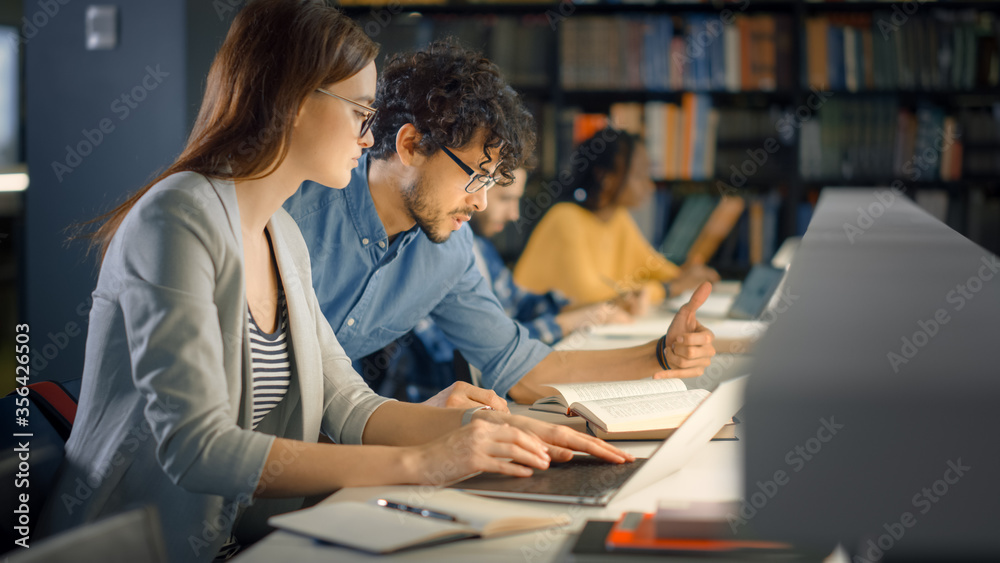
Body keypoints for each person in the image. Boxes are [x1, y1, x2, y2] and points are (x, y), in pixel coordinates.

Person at [37, 3, 631, 561]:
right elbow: (197, 448)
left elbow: (351, 405)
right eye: (361, 114)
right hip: (140, 547)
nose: (371, 137)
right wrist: (424, 462)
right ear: (294, 100)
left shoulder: (281, 238)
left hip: (242, 542)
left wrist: (501, 429)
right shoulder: (179, 217)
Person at [284, 40, 718, 407]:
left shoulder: (450, 250)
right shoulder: (294, 209)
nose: (481, 202)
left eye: (491, 182)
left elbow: (522, 369)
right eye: (474, 175)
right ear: (411, 144)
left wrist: (662, 354)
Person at [399, 167, 637, 401]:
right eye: (505, 198)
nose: (515, 214)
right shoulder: (431, 251)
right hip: (433, 409)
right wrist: (564, 324)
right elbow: (463, 350)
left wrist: (590, 310)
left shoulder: (481, 249)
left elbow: (519, 304)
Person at [514, 127, 720, 308]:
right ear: (605, 177)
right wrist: (668, 288)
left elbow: (651, 267)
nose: (649, 186)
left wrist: (688, 275)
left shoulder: (617, 218)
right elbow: (591, 298)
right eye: (640, 175)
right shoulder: (565, 219)